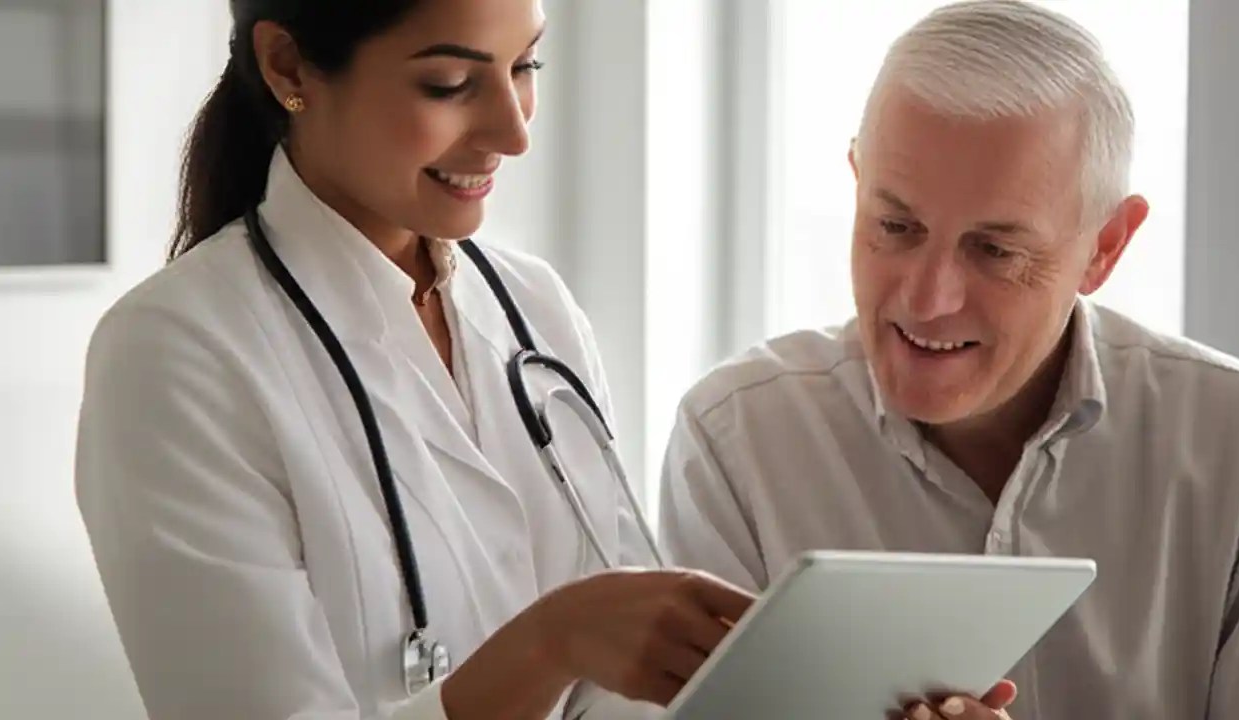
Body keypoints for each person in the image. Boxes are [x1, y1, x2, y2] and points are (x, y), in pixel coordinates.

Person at [74, 2, 752, 719]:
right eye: (451, 83)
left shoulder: (535, 307)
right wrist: (551, 643)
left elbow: (622, 694)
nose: (514, 133)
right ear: (288, 67)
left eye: (524, 66)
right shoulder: (173, 352)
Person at [659, 1, 1239, 719]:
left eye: (995, 251)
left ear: (1105, 247)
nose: (926, 300)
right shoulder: (738, 441)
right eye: (896, 226)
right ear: (857, 182)